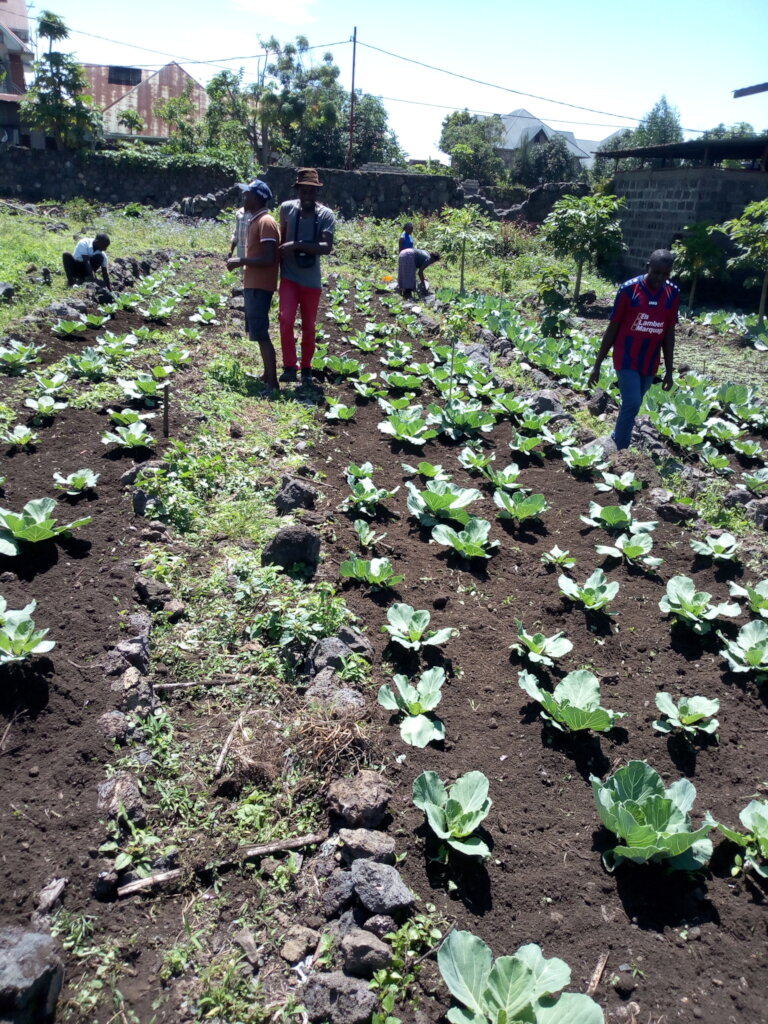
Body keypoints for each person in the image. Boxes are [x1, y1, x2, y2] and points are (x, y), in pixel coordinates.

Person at [587, 249, 679, 450]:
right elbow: (613, 328)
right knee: (633, 403)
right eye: (656, 272)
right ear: (648, 267)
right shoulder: (629, 290)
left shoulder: (672, 293)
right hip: (626, 356)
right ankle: (621, 449)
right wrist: (597, 365)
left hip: (649, 360)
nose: (660, 278)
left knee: (632, 404)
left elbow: (668, 335)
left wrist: (670, 372)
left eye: (666, 274)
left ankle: (617, 435)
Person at [278, 167, 335, 385]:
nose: (307, 196)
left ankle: (307, 368)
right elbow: (282, 239)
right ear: (298, 190)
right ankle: (289, 366)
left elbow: (326, 246)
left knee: (309, 326)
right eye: (304, 191)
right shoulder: (286, 209)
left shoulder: (326, 215)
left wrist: (297, 245)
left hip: (311, 280)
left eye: (311, 191)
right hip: (290, 277)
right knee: (285, 319)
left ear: (317, 192)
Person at [226, 180, 280, 394]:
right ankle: (267, 375)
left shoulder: (266, 222)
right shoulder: (256, 220)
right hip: (254, 283)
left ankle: (272, 384)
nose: (244, 198)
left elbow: (269, 258)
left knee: (262, 333)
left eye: (247, 194)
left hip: (261, 285)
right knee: (257, 332)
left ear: (257, 197)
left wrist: (242, 261)